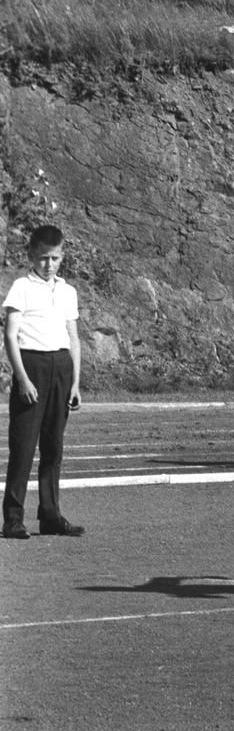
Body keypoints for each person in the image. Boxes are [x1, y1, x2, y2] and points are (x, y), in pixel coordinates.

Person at [2, 225, 84, 539]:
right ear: (31, 256)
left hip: (61, 366)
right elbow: (10, 336)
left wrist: (75, 383)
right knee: (23, 447)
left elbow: (74, 339)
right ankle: (13, 519)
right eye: (43, 258)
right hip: (32, 365)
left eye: (55, 258)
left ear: (62, 257)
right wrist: (21, 378)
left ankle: (50, 515)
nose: (48, 264)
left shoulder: (67, 291)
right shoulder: (21, 286)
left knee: (53, 447)